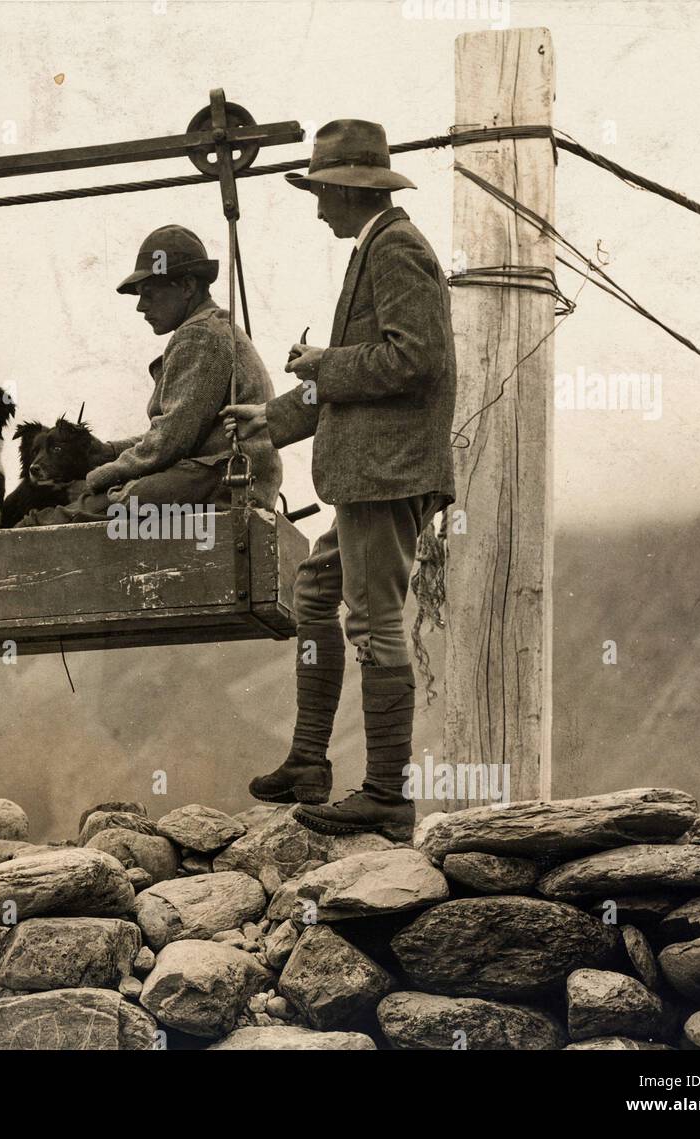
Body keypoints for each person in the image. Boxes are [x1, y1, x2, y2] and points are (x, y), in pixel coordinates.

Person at [223, 120, 456, 840]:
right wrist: (273, 416)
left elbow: (411, 359)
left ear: (349, 190)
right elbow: (359, 375)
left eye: (321, 192)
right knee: (315, 592)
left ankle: (386, 792)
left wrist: (323, 361)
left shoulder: (396, 250)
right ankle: (308, 762)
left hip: (387, 475)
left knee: (376, 621)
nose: (317, 206)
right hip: (368, 475)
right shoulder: (373, 249)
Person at [17, 224, 280, 525]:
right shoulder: (215, 329)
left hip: (217, 483)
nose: (141, 307)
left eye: (149, 294)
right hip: (225, 478)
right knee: (102, 500)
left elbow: (170, 441)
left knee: (88, 507)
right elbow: (176, 432)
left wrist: (98, 475)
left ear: (186, 286)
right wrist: (109, 452)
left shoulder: (200, 335)